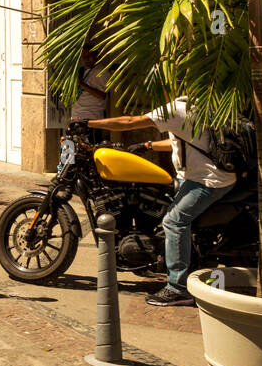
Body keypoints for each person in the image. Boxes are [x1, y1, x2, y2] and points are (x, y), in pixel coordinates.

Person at [89, 95, 237, 306]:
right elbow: (182, 140)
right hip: (201, 177)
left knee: (173, 222)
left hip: (207, 181)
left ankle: (177, 288)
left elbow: (129, 122)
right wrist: (148, 145)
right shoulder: (203, 102)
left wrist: (88, 122)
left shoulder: (177, 108)